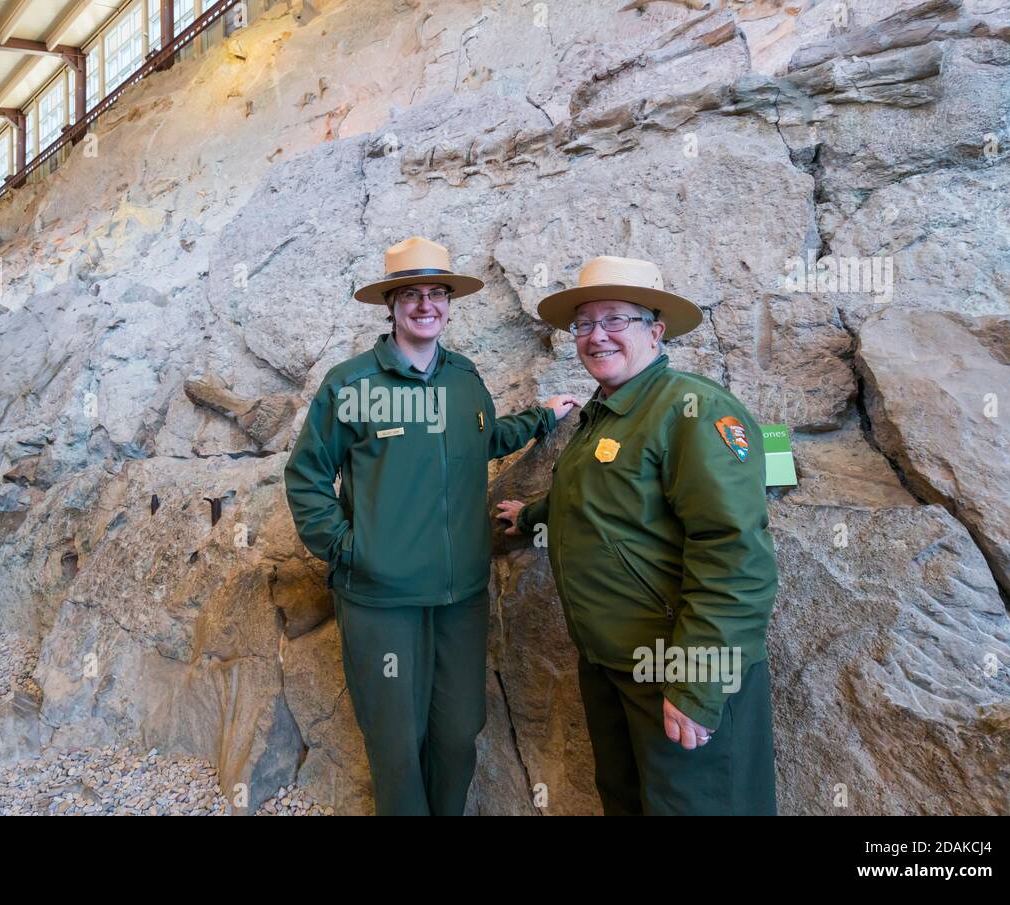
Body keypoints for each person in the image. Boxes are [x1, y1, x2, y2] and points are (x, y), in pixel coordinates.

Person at [285, 236, 577, 815]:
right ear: (390, 305)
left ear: (449, 302)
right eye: (411, 294)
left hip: (461, 597)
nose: (426, 305)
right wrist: (350, 550)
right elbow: (306, 476)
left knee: (457, 730)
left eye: (437, 293)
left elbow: (481, 439)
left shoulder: (464, 380)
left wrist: (541, 419)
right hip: (381, 600)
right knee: (396, 742)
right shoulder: (350, 385)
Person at [496, 255, 779, 815]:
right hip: (611, 665)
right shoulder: (607, 413)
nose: (596, 335)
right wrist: (531, 516)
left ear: (656, 329)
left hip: (676, 670)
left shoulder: (693, 411)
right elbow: (599, 498)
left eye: (615, 320)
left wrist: (698, 682)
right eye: (584, 323)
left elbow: (734, 555)